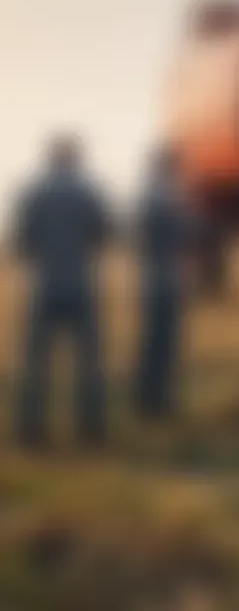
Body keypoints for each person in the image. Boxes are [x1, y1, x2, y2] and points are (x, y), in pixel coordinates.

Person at [14, 132, 111, 448]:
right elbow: (103, 234)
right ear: (76, 159)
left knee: (36, 363)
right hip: (81, 284)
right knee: (89, 362)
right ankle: (91, 430)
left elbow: (23, 241)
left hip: (45, 285)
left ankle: (31, 429)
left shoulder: (34, 192)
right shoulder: (88, 192)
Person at [133, 144, 197, 420]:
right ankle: (157, 401)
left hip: (150, 277)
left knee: (151, 341)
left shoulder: (147, 196)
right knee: (163, 343)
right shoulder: (166, 198)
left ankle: (145, 397)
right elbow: (185, 232)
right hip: (166, 279)